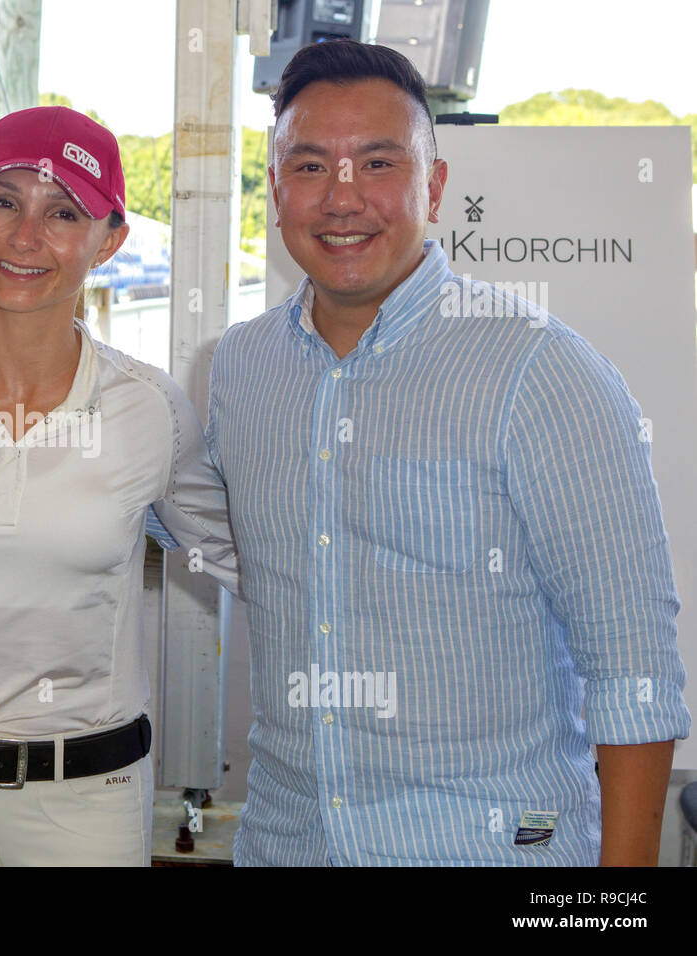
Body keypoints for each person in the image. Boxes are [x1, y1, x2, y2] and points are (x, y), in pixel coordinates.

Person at [209, 39, 690, 866]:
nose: (343, 197)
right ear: (278, 187)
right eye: (312, 165)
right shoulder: (242, 368)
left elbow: (634, 665)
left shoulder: (540, 370)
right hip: (290, 842)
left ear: (432, 186)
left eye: (379, 162)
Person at [0, 105, 237, 866]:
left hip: (87, 802)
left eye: (63, 212)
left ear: (109, 240)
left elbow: (238, 555)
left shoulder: (150, 407)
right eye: (4, 202)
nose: (26, 237)